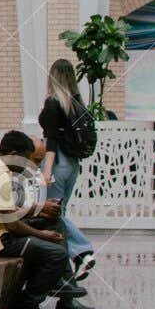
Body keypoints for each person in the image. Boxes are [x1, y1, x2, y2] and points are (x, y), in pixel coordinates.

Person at [0, 131, 94, 309]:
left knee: (55, 223)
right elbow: (12, 223)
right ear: (14, 153)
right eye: (27, 160)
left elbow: (8, 212)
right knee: (55, 254)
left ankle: (63, 285)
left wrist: (40, 211)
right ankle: (25, 308)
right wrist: (42, 235)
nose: (29, 166)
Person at [39, 59, 96, 265]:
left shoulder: (53, 102)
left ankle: (82, 251)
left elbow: (51, 139)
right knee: (59, 212)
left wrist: (47, 171)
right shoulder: (77, 103)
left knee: (52, 213)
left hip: (58, 162)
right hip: (73, 164)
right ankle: (70, 257)